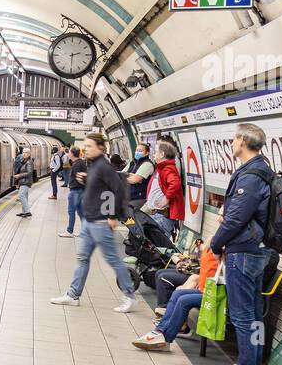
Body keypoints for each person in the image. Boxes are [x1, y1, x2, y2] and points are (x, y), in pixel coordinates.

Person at [208, 123, 273, 365]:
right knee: (254, 313)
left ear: (244, 141)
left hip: (243, 251)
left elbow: (237, 217)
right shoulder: (261, 170)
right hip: (256, 250)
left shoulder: (251, 176)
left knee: (243, 314)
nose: (231, 143)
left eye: (234, 139)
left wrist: (216, 242)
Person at [50, 131, 136, 313]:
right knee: (82, 258)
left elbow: (118, 190)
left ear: (100, 148)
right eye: (85, 146)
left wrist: (113, 216)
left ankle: (129, 296)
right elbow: (101, 187)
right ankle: (73, 295)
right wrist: (87, 180)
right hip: (89, 222)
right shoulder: (94, 166)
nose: (85, 149)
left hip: (100, 222)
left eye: (89, 146)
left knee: (113, 259)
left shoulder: (104, 167)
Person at [131, 244, 219, 351]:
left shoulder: (233, 253)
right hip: (208, 289)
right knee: (177, 293)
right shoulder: (224, 248)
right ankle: (159, 331)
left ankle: (166, 339)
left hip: (217, 293)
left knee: (183, 300)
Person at [142, 140, 184, 238]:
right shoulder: (162, 168)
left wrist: (166, 199)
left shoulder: (168, 168)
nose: (153, 155)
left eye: (156, 152)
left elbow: (175, 184)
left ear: (162, 154)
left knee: (160, 246)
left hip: (162, 217)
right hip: (157, 215)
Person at [59, 145, 86, 237]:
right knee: (81, 212)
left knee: (71, 212)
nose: (68, 153)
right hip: (80, 191)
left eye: (69, 152)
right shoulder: (80, 162)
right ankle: (84, 232)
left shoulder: (77, 164)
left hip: (75, 191)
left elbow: (80, 178)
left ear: (72, 154)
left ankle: (69, 231)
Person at [12, 148, 33, 219]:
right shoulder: (24, 161)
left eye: (26, 152)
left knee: (21, 195)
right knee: (25, 196)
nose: (24, 154)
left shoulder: (29, 162)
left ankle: (27, 212)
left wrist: (19, 175)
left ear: (29, 154)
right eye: (23, 152)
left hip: (26, 181)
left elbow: (29, 173)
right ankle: (24, 212)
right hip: (23, 181)